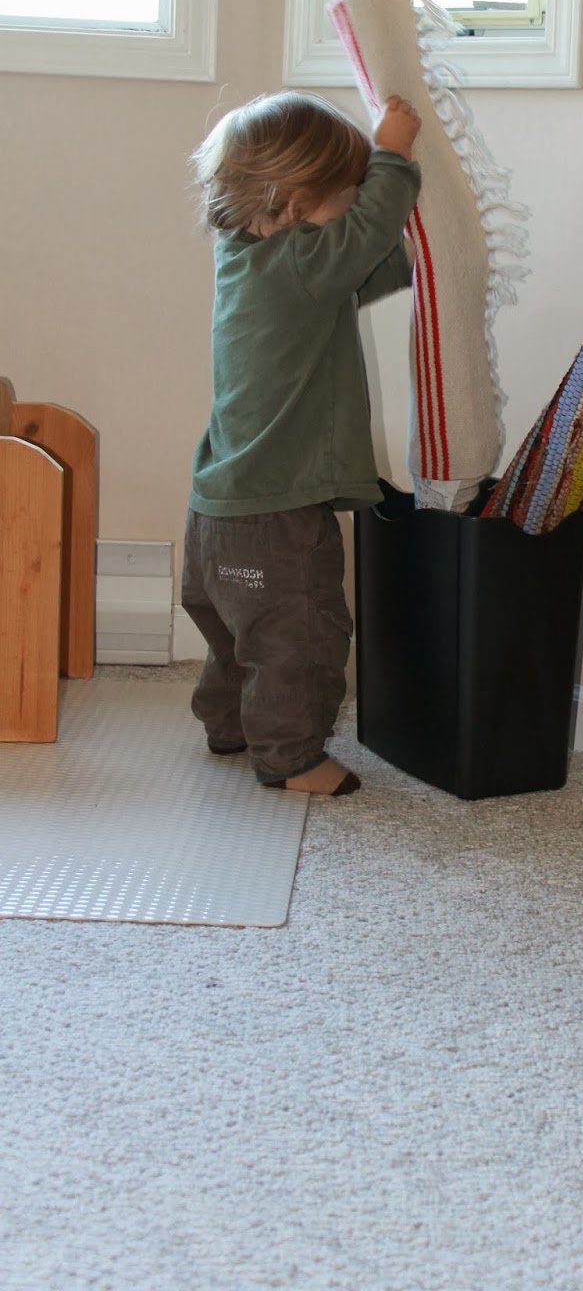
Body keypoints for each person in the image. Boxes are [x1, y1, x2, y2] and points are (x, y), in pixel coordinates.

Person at [182, 89, 421, 795]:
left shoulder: (243, 256)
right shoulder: (299, 264)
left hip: (216, 512)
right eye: (345, 193)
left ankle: (227, 725)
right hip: (275, 516)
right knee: (300, 636)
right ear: (294, 198)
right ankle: (289, 757)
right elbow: (367, 227)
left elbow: (362, 257)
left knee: (238, 639)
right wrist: (394, 157)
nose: (355, 204)